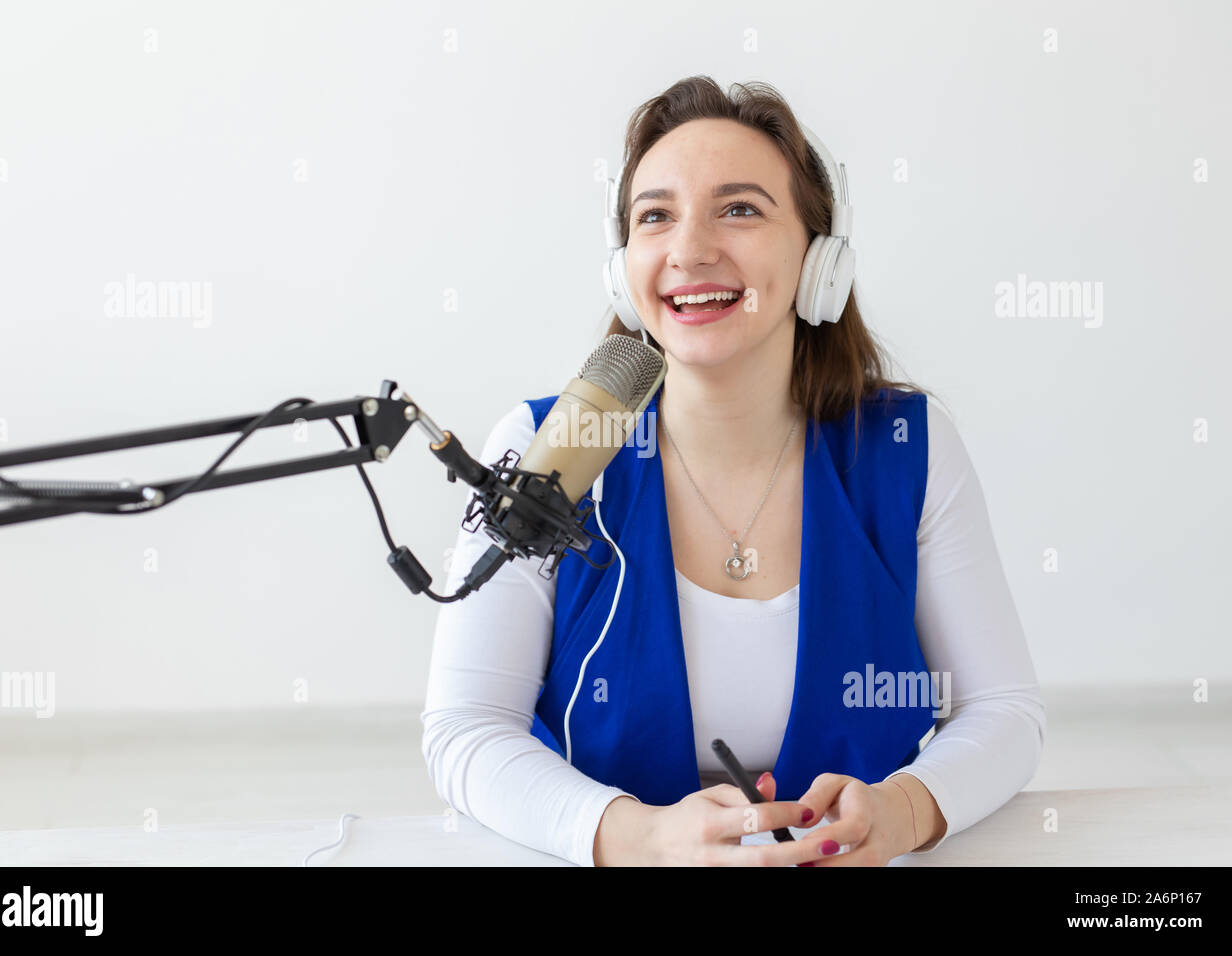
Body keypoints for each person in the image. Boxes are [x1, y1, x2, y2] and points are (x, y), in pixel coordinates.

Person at [422, 76, 1045, 866]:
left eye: (741, 209)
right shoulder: (553, 445)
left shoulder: (905, 449)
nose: (689, 250)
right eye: (656, 217)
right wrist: (636, 836)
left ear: (820, 260)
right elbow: (465, 729)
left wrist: (904, 810)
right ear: (624, 269)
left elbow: (1005, 713)